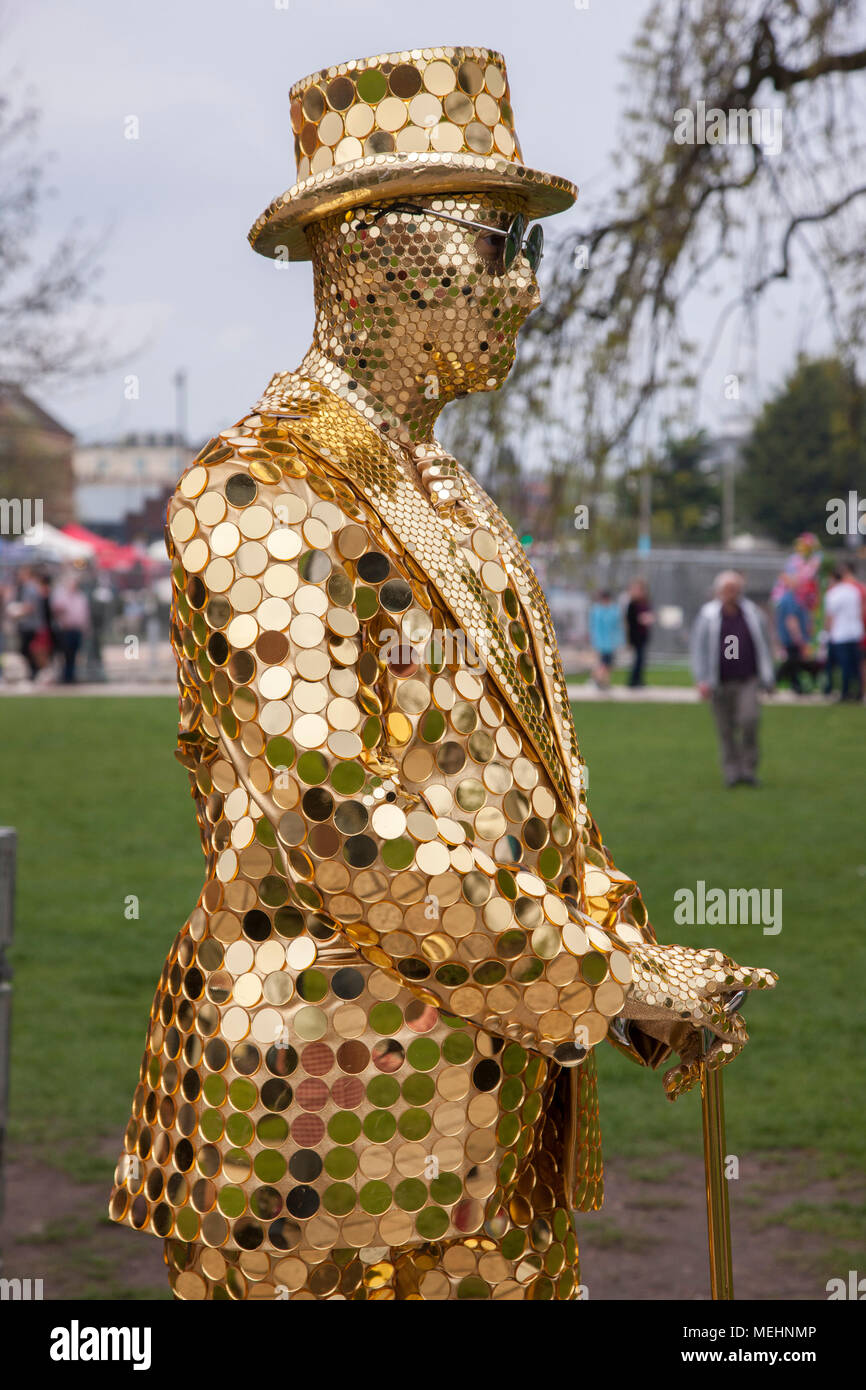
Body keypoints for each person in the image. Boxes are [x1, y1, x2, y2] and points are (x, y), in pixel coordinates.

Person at [108, 46, 776, 1301]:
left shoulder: (460, 505)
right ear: (370, 253)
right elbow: (345, 829)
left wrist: (628, 975)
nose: (525, 290)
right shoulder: (260, 494)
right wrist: (605, 978)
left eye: (531, 252)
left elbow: (533, 802)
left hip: (503, 1127)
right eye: (496, 246)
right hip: (322, 1149)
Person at [691, 570, 775, 787]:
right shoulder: (708, 615)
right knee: (725, 730)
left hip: (747, 679)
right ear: (718, 592)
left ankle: (749, 769)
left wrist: (768, 675)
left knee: (749, 721)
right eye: (727, 589)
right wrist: (701, 679)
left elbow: (765, 645)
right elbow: (698, 649)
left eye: (735, 589)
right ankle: (732, 772)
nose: (731, 594)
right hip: (718, 682)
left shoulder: (752, 613)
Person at [824, 562, 865, 701]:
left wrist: (827, 633)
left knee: (843, 665)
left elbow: (830, 617)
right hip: (855, 631)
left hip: (840, 634)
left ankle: (843, 691)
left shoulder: (833, 593)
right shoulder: (853, 591)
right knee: (855, 664)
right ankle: (859, 691)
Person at [774, 571, 814, 694]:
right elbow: (791, 620)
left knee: (793, 661)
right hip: (791, 637)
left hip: (789, 636)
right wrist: (798, 637)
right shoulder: (790, 599)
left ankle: (795, 685)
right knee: (793, 661)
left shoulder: (789, 598)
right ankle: (778, 680)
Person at [52, 572, 90, 684]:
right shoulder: (62, 596)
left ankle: (71, 676)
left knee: (74, 654)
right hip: (65, 629)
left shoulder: (81, 597)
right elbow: (57, 610)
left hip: (77, 629)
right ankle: (65, 676)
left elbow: (85, 614)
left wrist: (86, 627)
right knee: (65, 654)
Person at [588, 589, 624, 690]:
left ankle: (604, 681)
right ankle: (599, 680)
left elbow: (617, 627)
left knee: (608, 664)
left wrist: (619, 640)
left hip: (611, 643)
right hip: (601, 642)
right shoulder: (597, 611)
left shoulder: (614, 610)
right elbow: (594, 628)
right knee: (603, 664)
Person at [625, 577, 654, 687]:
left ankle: (639, 680)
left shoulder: (645, 602)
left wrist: (649, 618)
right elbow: (630, 620)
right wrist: (641, 619)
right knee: (637, 659)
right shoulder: (632, 604)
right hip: (635, 635)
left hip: (643, 635)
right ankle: (633, 681)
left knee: (642, 659)